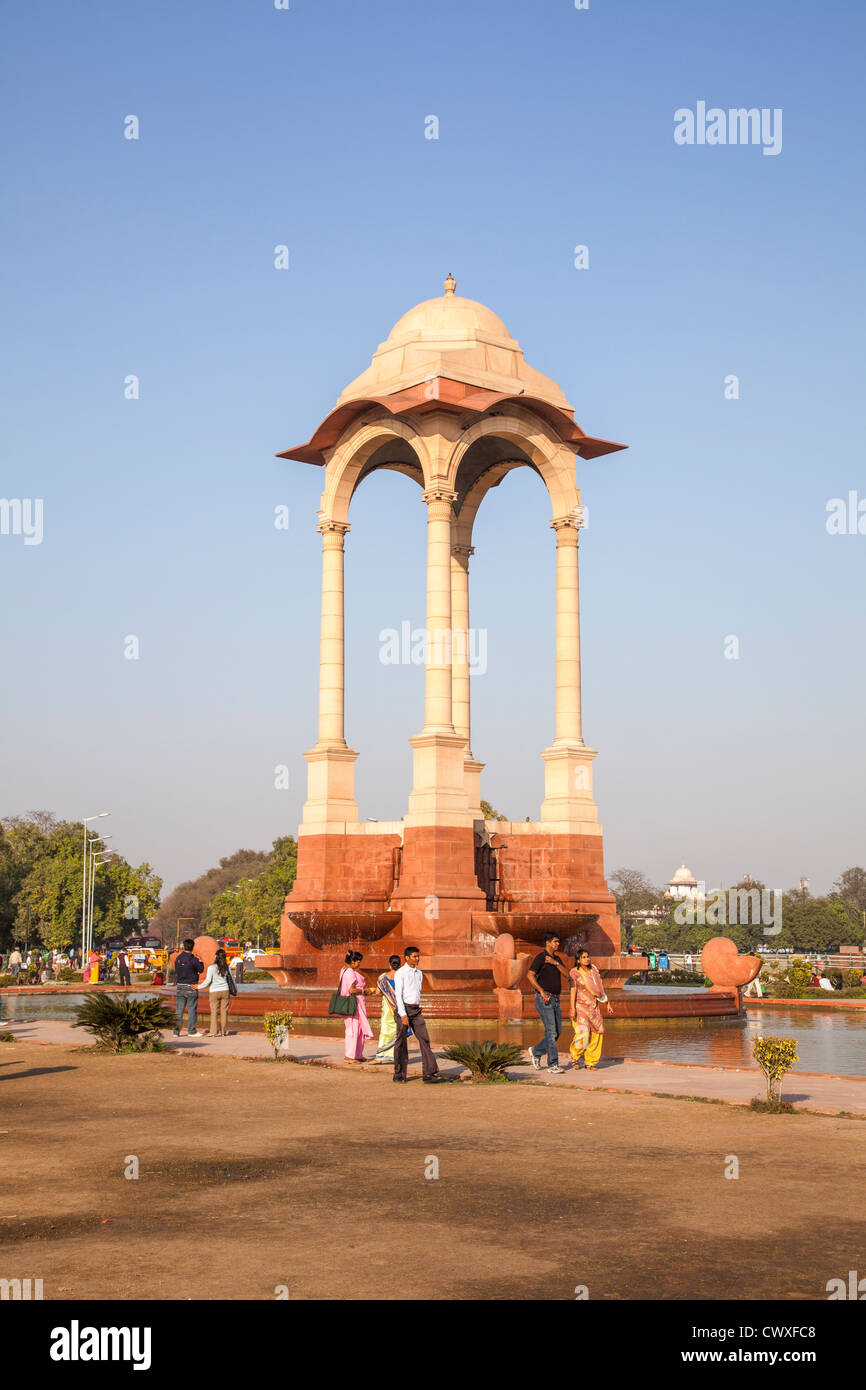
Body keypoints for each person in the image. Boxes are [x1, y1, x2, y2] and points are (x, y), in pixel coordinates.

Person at [393, 946, 441, 1083]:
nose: (417, 958)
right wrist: (403, 1015)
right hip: (404, 1010)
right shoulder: (400, 973)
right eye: (415, 956)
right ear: (407, 958)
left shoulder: (419, 973)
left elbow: (417, 992)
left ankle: (429, 1073)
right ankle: (399, 1075)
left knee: (424, 1039)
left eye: (418, 956)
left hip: (416, 1010)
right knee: (401, 1043)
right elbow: (398, 995)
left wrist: (417, 1007)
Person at [526, 931, 569, 1073]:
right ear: (548, 942)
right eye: (555, 941)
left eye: (558, 941)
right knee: (551, 1032)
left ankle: (536, 1051)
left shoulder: (556, 958)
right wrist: (542, 991)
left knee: (557, 1032)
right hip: (545, 998)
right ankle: (553, 1064)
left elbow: (568, 975)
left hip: (556, 999)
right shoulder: (540, 957)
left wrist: (555, 963)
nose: (558, 944)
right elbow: (530, 975)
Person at [568, 949, 611, 1070]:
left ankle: (591, 1062)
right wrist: (572, 1009)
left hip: (594, 1007)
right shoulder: (574, 972)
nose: (587, 959)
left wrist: (607, 1002)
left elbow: (599, 989)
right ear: (578, 960)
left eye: (587, 956)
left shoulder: (594, 971)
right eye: (583, 957)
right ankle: (575, 1057)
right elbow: (573, 991)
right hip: (580, 1007)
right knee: (583, 1033)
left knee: (598, 1033)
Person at [338, 951, 374, 1063]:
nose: (359, 964)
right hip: (352, 1005)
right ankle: (349, 1056)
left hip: (355, 1005)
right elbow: (351, 990)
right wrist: (364, 990)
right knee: (352, 1030)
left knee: (359, 1030)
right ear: (352, 961)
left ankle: (357, 1055)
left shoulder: (344, 970)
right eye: (358, 962)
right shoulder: (349, 972)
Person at [373, 955, 402, 1064]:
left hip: (388, 1007)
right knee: (398, 1032)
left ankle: (381, 1056)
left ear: (389, 965)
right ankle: (397, 1056)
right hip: (400, 1008)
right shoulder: (403, 976)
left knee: (385, 1031)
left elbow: (377, 992)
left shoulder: (383, 977)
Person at [173, 938, 204, 1036]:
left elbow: (177, 970)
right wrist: (200, 960)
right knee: (191, 1009)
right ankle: (191, 1031)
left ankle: (176, 1032)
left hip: (180, 986)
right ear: (192, 947)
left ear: (183, 946)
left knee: (179, 1010)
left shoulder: (178, 958)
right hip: (191, 986)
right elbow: (201, 969)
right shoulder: (193, 959)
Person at [199, 948, 233, 1037]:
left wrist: (198, 987)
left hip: (214, 991)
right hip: (225, 991)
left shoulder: (212, 967)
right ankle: (224, 1032)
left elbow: (208, 981)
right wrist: (235, 990)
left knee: (214, 1012)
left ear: (216, 956)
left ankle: (213, 1032)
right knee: (224, 1012)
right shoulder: (226, 967)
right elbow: (232, 980)